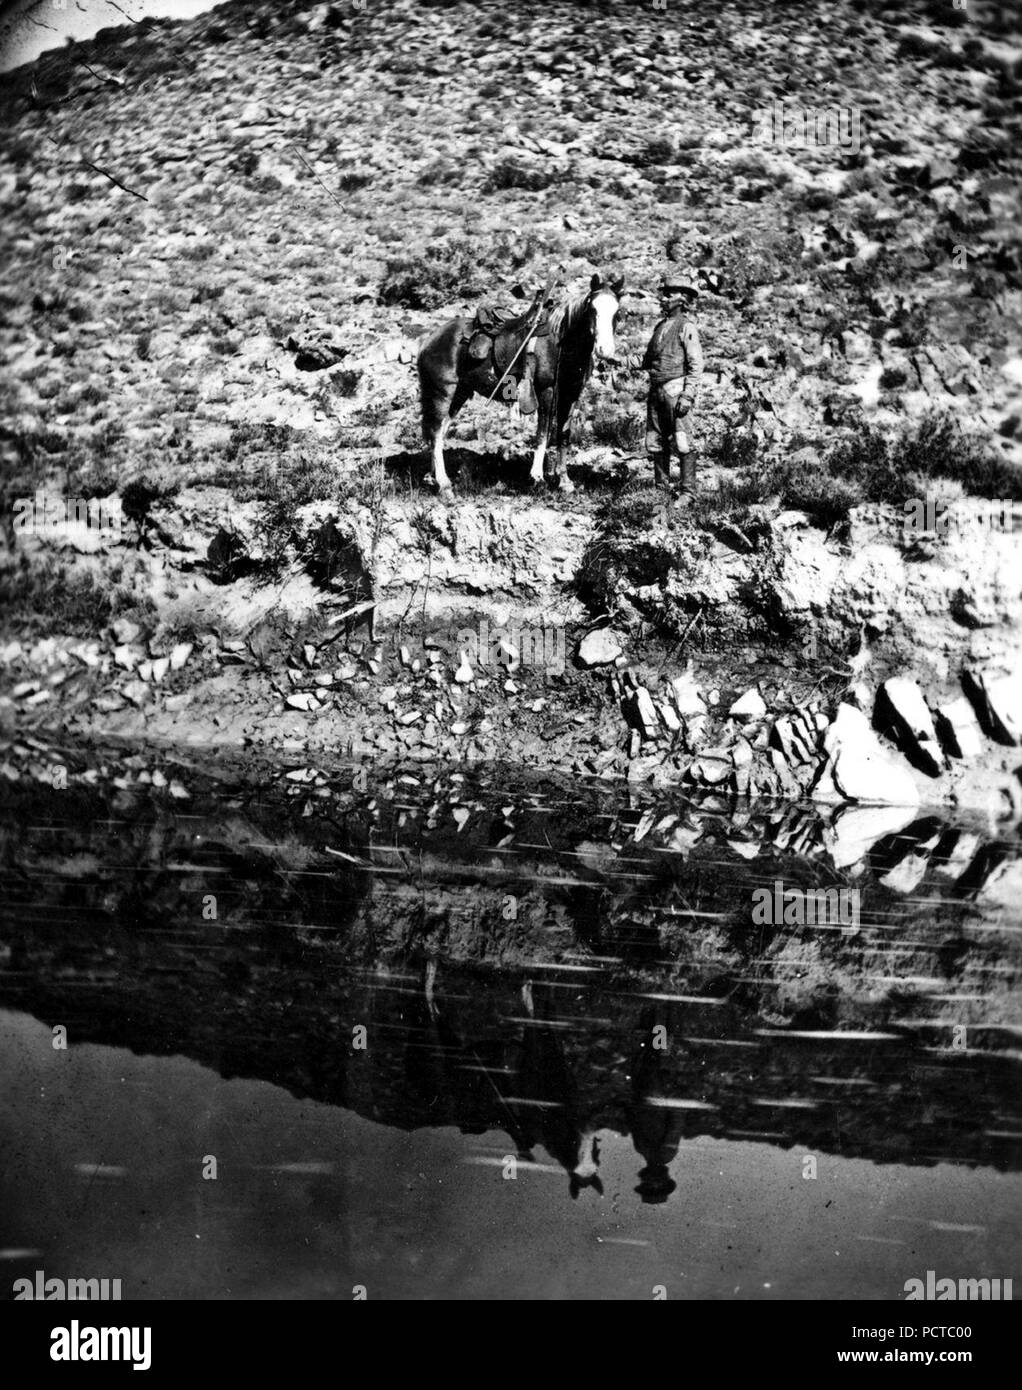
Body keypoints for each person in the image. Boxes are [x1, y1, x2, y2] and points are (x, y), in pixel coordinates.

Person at [626, 271, 704, 505]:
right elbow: (648, 361)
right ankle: (661, 489)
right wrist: (619, 361)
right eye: (664, 295)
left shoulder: (687, 327)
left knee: (683, 441)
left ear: (682, 299)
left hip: (676, 390)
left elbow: (696, 364)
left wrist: (688, 394)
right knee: (656, 441)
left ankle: (687, 493)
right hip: (656, 391)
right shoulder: (660, 326)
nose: (663, 299)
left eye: (668, 295)